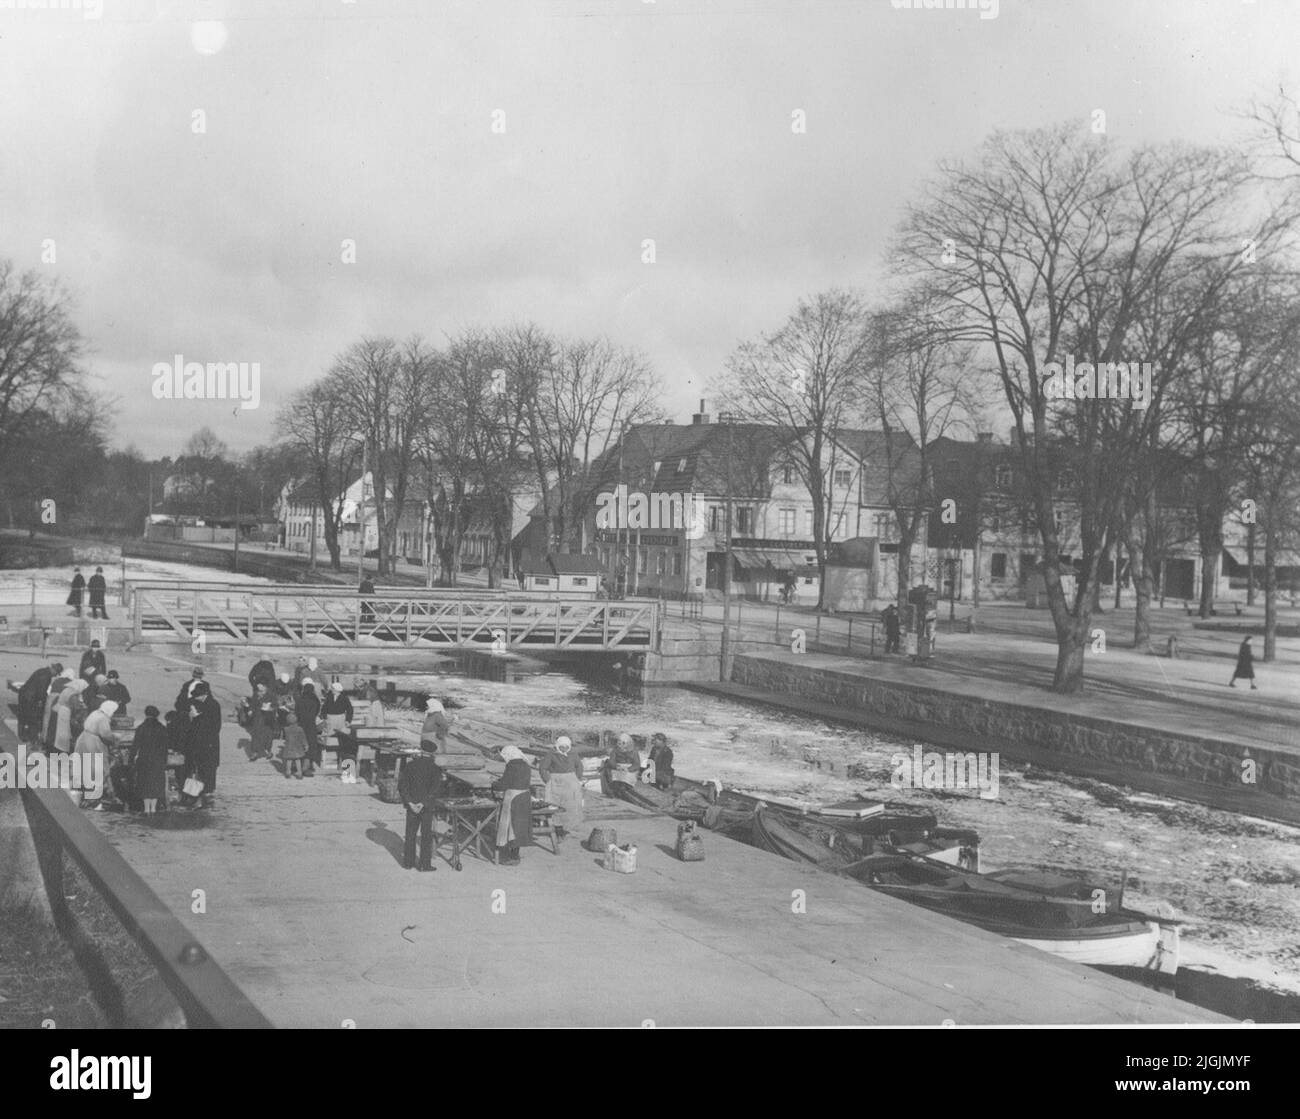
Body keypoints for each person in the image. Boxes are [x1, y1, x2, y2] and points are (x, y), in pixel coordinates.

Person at [399, 739, 443, 871]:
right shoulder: (435, 768)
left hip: (411, 805)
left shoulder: (410, 765)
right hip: (426, 807)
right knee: (426, 835)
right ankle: (424, 865)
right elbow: (435, 789)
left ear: (421, 751)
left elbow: (402, 786)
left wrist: (410, 803)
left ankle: (408, 863)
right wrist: (423, 803)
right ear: (432, 754)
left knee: (410, 834)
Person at [181, 682, 221, 808]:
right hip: (199, 743)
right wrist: (191, 716)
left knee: (208, 768)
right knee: (199, 767)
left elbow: (214, 726)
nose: (195, 698)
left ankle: (207, 793)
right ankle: (200, 793)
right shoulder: (198, 703)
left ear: (205, 694)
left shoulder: (213, 705)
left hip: (209, 743)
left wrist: (198, 716)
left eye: (198, 695)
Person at [492, 745, 533, 866]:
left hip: (514, 797)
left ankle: (513, 857)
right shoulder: (525, 764)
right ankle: (515, 854)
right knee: (519, 827)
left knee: (511, 826)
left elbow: (505, 784)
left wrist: (495, 784)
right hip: (525, 796)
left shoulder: (512, 765)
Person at [538, 735, 583, 841]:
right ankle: (557, 830)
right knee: (556, 805)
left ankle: (565, 829)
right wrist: (548, 780)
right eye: (562, 746)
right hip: (556, 783)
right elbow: (543, 768)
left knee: (570, 806)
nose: (564, 749)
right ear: (557, 746)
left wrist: (577, 778)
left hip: (570, 783)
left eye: (566, 747)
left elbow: (579, 766)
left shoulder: (573, 754)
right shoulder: (551, 754)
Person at [76, 699, 119, 810]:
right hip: (93, 742)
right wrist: (115, 739)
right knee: (98, 768)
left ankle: (86, 795)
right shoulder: (103, 718)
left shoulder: (95, 713)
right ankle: (94, 799)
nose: (113, 714)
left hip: (83, 739)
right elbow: (106, 735)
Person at [132, 706, 170, 815]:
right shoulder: (162, 728)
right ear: (157, 715)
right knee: (156, 784)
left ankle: (146, 808)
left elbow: (135, 746)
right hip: (158, 760)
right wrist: (164, 761)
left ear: (146, 714)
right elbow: (165, 747)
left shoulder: (141, 728)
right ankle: (153, 808)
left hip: (144, 760)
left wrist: (131, 760)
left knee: (145, 784)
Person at [16, 661, 61, 746]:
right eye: (56, 673)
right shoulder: (47, 676)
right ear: (54, 670)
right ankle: (33, 739)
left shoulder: (42, 670)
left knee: (22, 717)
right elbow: (41, 691)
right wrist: (45, 700)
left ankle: (22, 736)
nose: (55, 676)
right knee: (33, 719)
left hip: (24, 694)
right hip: (30, 698)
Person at [322, 681, 354, 769]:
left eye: (333, 689)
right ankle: (330, 759)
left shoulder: (344, 698)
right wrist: (324, 717)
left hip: (340, 718)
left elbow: (350, 710)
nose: (331, 690)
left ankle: (340, 759)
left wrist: (348, 720)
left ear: (336, 690)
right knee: (329, 737)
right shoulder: (329, 697)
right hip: (330, 718)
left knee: (341, 738)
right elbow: (324, 708)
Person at [52, 679, 90, 754]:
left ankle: (58, 751)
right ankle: (63, 752)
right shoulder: (73, 694)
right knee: (64, 734)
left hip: (58, 710)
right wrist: (82, 706)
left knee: (58, 734)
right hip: (64, 713)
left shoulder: (68, 690)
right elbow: (75, 705)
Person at [296, 680, 322, 775]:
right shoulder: (315, 699)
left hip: (301, 724)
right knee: (311, 744)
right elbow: (317, 710)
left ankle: (300, 765)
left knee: (301, 744)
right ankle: (306, 767)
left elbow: (297, 712)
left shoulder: (300, 699)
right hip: (311, 724)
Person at [248, 682, 278, 760]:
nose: (260, 692)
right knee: (256, 735)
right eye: (259, 690)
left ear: (266, 688)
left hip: (268, 719)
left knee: (268, 735)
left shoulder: (271, 695)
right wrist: (251, 710)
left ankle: (268, 752)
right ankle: (254, 753)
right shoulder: (256, 695)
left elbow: (275, 705)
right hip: (258, 717)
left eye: (262, 690)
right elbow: (252, 704)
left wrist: (271, 708)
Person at [280, 713, 308, 779]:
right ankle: (299, 773)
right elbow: (303, 738)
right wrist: (306, 745)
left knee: (289, 760)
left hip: (288, 747)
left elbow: (284, 737)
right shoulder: (300, 729)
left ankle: (288, 772)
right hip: (297, 747)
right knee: (298, 760)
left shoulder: (285, 729)